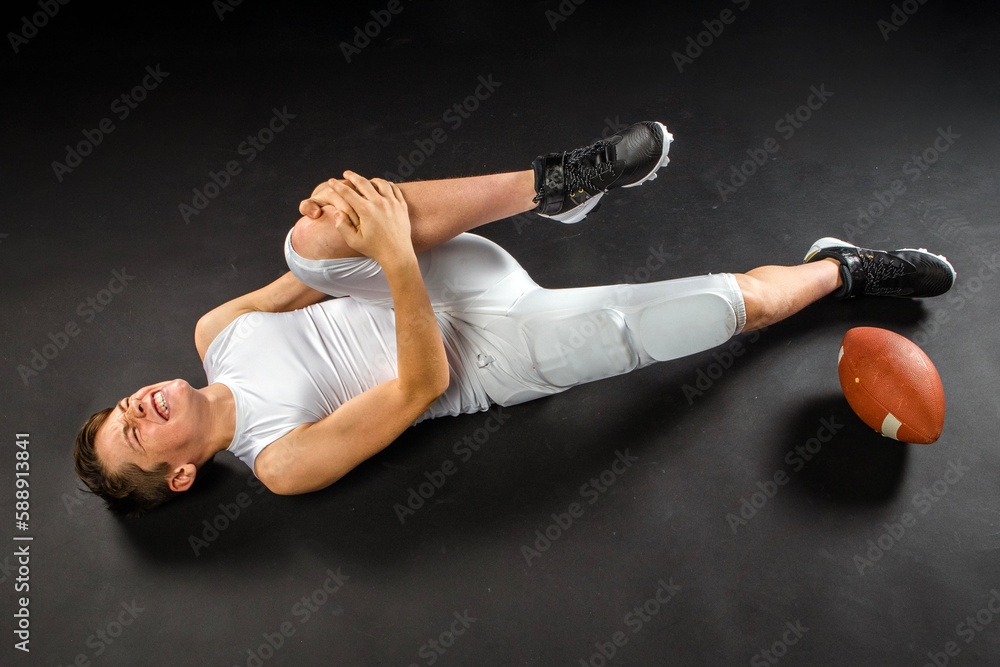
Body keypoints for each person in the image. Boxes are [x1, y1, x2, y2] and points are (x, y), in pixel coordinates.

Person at [73, 121, 957, 518]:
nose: (138, 408)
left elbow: (314, 275)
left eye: (122, 408)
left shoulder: (213, 332)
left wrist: (349, 234)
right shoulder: (278, 462)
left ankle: (554, 189)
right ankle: (841, 267)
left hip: (425, 271)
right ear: (180, 474)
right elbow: (421, 384)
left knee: (307, 239)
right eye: (137, 437)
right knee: (718, 312)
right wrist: (391, 256)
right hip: (489, 349)